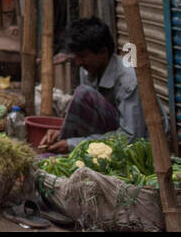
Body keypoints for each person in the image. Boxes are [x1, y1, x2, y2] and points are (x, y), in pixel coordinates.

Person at [38, 17, 168, 154]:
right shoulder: (88, 70)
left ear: (103, 52)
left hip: (142, 148)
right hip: (113, 134)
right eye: (76, 56)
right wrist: (61, 133)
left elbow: (131, 137)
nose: (78, 62)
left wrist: (73, 144)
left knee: (83, 93)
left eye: (82, 56)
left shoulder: (129, 81)